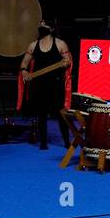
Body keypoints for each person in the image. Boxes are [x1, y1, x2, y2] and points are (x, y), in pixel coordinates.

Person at [19, 15, 71, 154]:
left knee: (61, 114)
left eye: (44, 24)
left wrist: (66, 62)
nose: (41, 26)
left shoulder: (60, 44)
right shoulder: (33, 45)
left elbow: (68, 61)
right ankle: (43, 142)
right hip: (38, 84)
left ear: (51, 28)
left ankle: (67, 141)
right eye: (40, 24)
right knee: (41, 114)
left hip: (55, 84)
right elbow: (24, 62)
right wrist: (24, 71)